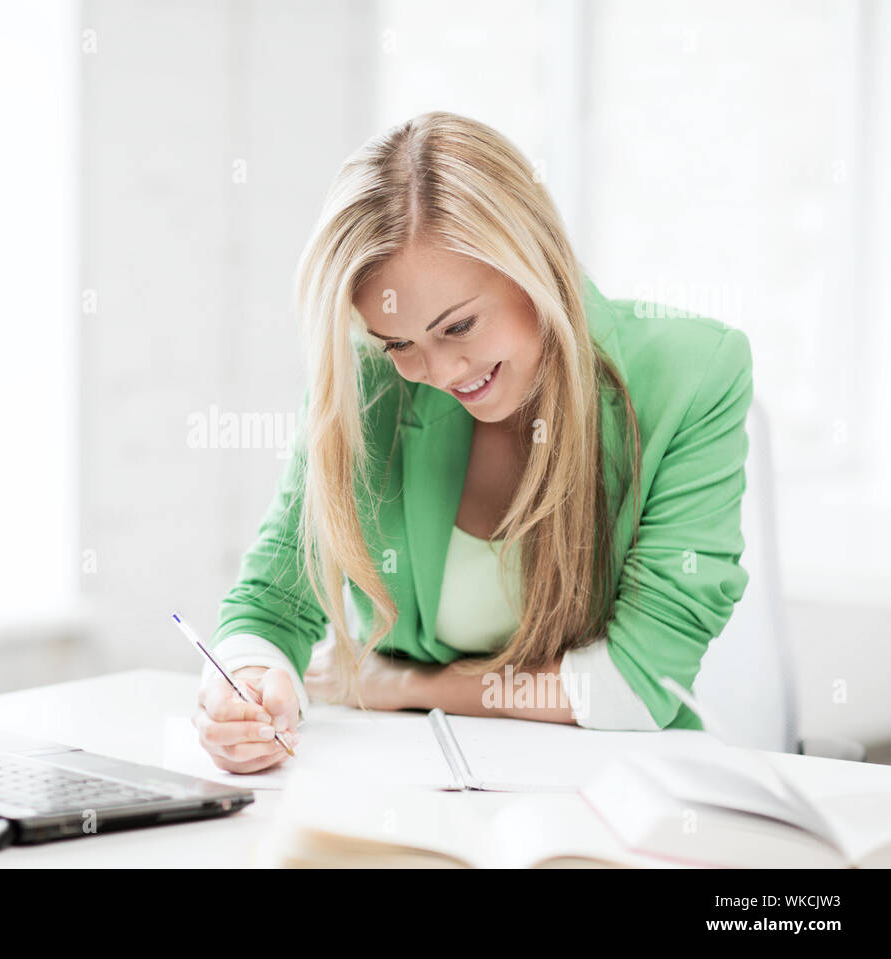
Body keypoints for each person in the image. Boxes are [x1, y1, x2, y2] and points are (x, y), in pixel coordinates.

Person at [194, 111, 752, 774]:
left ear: (532, 259)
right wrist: (247, 685)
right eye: (400, 342)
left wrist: (404, 687)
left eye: (457, 325)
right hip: (410, 784)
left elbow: (640, 683)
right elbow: (271, 600)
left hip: (613, 791)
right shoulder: (369, 379)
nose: (440, 371)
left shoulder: (696, 375)